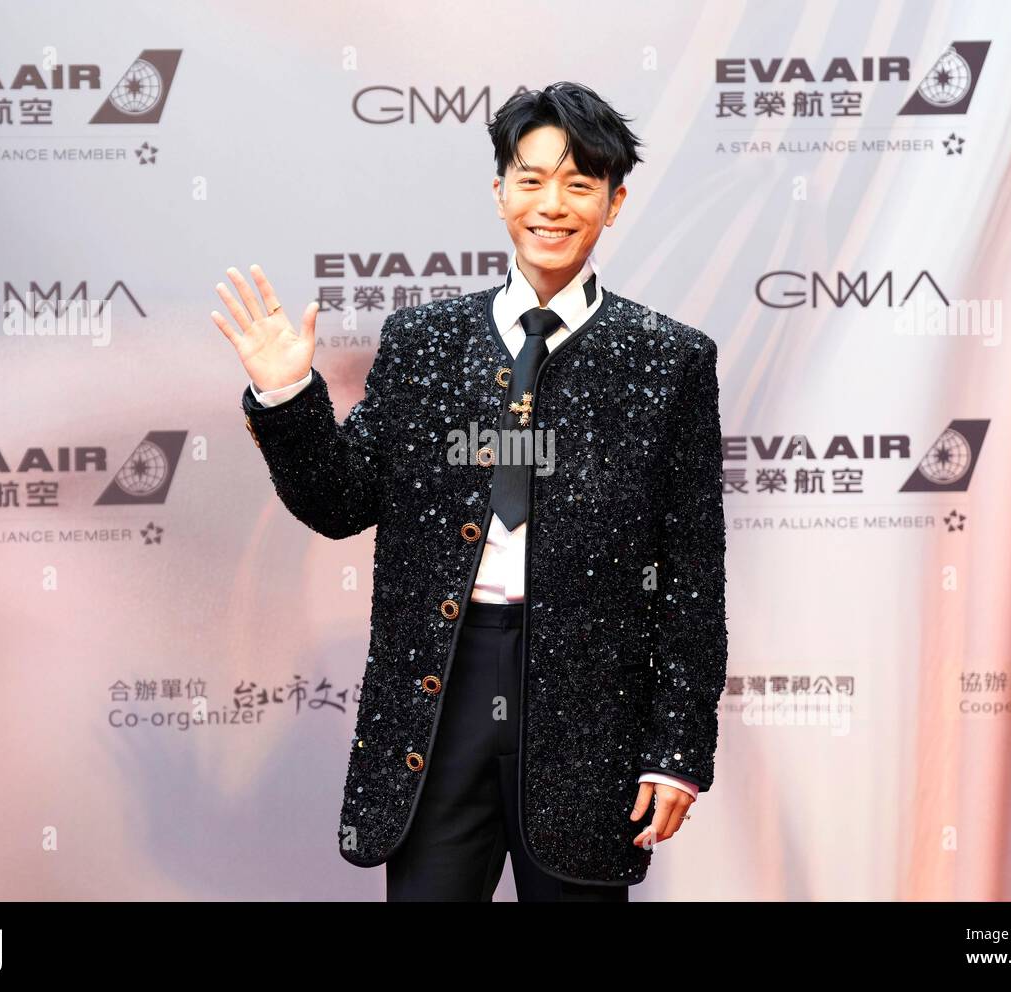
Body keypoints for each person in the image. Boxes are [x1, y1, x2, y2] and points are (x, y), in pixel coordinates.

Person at [212, 81, 727, 901]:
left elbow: (693, 574)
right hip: (439, 691)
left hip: (588, 709)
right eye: (530, 180)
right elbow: (342, 503)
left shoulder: (667, 360)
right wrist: (288, 397)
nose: (551, 205)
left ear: (615, 202)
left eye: (579, 184)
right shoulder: (424, 343)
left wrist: (677, 749)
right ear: (499, 194)